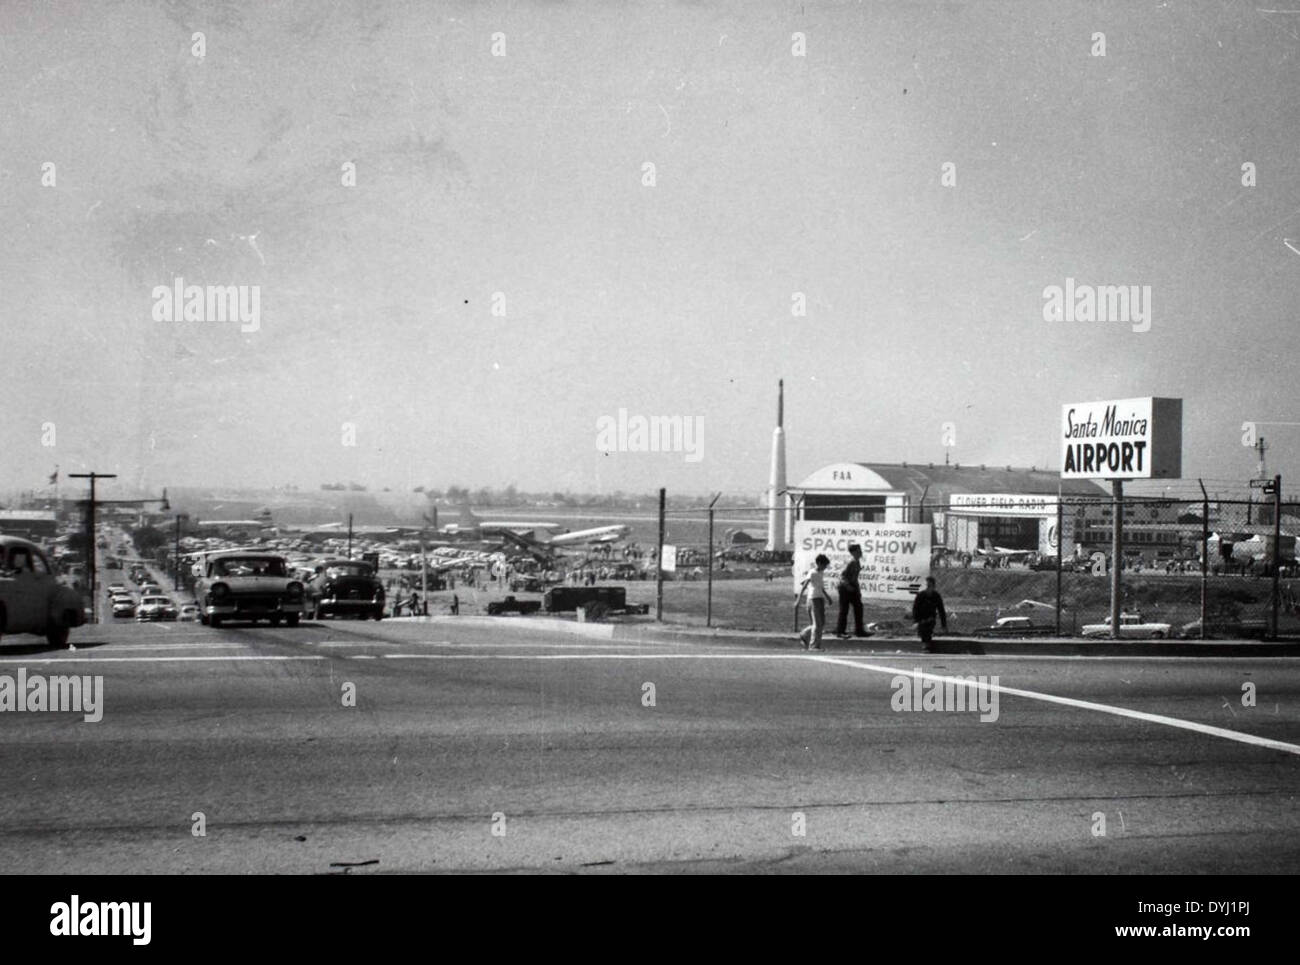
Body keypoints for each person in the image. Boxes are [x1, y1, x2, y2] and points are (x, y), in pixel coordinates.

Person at [797, 554, 834, 651]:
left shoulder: (820, 573)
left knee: (821, 623)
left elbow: (820, 587)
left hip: (820, 598)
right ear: (819, 563)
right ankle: (814, 646)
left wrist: (827, 597)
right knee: (817, 624)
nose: (825, 567)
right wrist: (798, 600)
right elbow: (804, 586)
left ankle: (805, 634)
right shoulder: (812, 572)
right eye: (824, 565)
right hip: (813, 599)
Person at [834, 543, 867, 638]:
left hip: (852, 586)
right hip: (845, 588)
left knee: (859, 607)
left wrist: (857, 589)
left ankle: (859, 631)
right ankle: (840, 632)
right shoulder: (850, 562)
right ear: (853, 552)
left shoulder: (857, 562)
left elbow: (855, 577)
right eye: (858, 551)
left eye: (860, 550)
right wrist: (848, 586)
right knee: (844, 610)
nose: (860, 552)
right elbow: (842, 576)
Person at [912, 576, 948, 652]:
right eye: (926, 586)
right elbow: (915, 609)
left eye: (929, 586)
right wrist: (916, 621)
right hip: (920, 619)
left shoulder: (936, 596)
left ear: (933, 587)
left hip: (930, 618)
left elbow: (941, 610)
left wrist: (943, 625)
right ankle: (925, 644)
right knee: (922, 627)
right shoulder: (920, 595)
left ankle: (926, 645)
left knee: (928, 625)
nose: (927, 588)